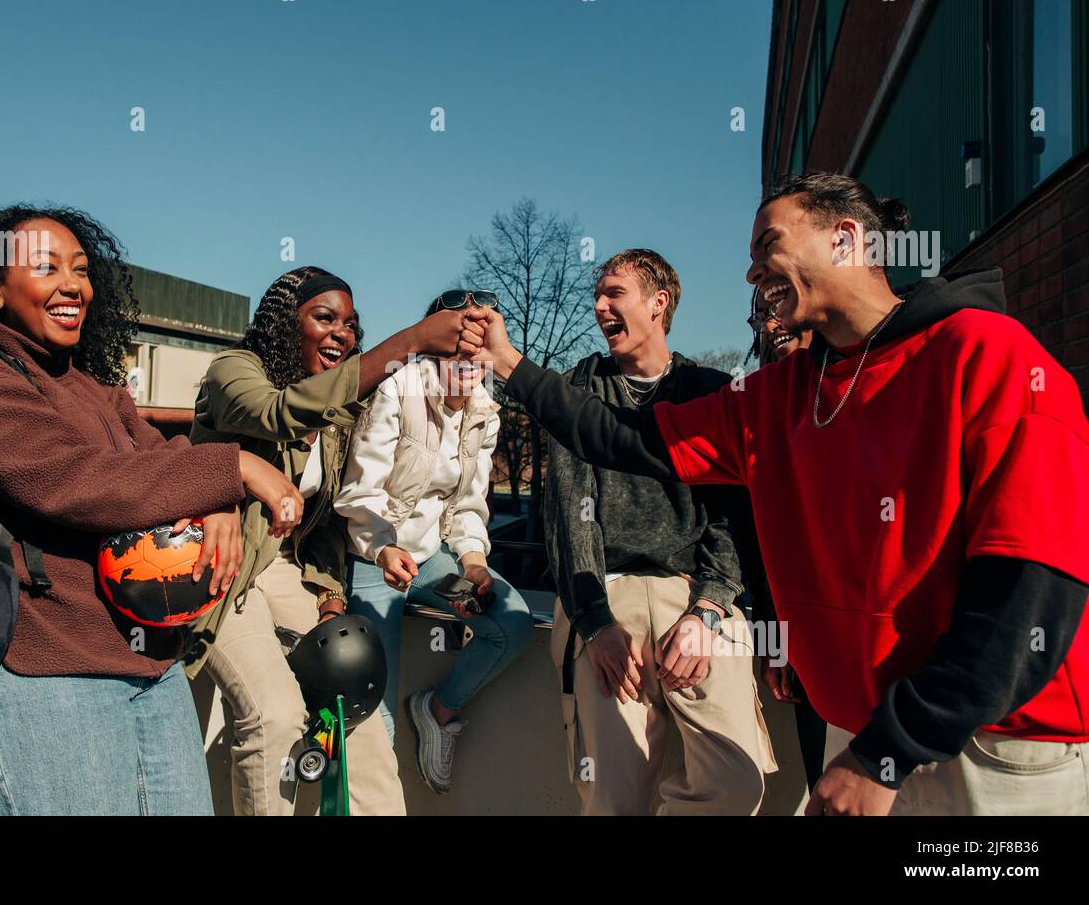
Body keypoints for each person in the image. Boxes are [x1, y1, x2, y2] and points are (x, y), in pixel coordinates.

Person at [462, 172, 1089, 816]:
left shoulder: (990, 357)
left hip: (988, 751)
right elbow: (620, 438)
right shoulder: (775, 395)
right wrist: (511, 364)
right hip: (866, 735)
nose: (751, 272)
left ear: (846, 239)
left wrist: (891, 749)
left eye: (768, 245)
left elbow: (1032, 597)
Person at [0, 206, 300, 815]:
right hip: (42, 677)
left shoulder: (95, 388)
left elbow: (161, 459)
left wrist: (217, 498)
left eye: (80, 268)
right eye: (46, 267)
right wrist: (234, 469)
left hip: (150, 664)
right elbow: (73, 481)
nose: (74, 284)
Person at [186, 265, 484, 815]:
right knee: (274, 715)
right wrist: (415, 339)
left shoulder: (337, 417)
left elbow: (322, 524)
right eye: (324, 318)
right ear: (284, 324)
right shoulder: (234, 371)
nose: (341, 334)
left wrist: (328, 596)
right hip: (221, 569)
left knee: (356, 719)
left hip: (285, 570)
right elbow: (277, 413)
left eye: (350, 324)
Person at [543, 250, 775, 815]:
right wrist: (595, 623)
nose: (599, 306)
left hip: (692, 597)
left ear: (658, 303)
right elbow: (571, 515)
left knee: (737, 782)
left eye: (613, 293)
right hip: (605, 594)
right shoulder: (577, 390)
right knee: (613, 799)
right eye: (597, 295)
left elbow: (729, 518)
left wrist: (711, 609)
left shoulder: (712, 391)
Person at [334, 290, 534, 795]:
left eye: (478, 352)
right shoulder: (398, 387)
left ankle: (438, 711)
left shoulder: (486, 409)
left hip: (433, 557)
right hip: (373, 555)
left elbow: (467, 503)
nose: (468, 364)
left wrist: (472, 563)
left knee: (512, 622)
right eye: (456, 351)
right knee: (372, 713)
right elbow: (361, 491)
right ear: (434, 348)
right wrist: (382, 548)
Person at [743, 292, 827, 792]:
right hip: (809, 650)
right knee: (825, 784)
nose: (773, 321)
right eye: (761, 311)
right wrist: (776, 644)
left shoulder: (869, 382)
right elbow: (759, 546)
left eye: (782, 302)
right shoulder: (762, 408)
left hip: (898, 652)